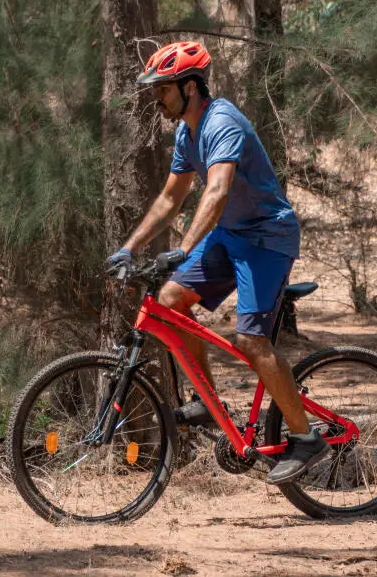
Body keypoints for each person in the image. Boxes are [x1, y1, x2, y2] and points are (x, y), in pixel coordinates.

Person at [105, 40, 328, 485]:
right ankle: (208, 401)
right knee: (169, 301)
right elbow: (171, 196)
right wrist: (130, 247)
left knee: (251, 342)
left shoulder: (222, 122)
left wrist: (185, 248)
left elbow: (217, 191)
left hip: (267, 238)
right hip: (230, 235)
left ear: (189, 87)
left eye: (163, 89)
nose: (157, 99)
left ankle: (306, 439)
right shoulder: (187, 133)